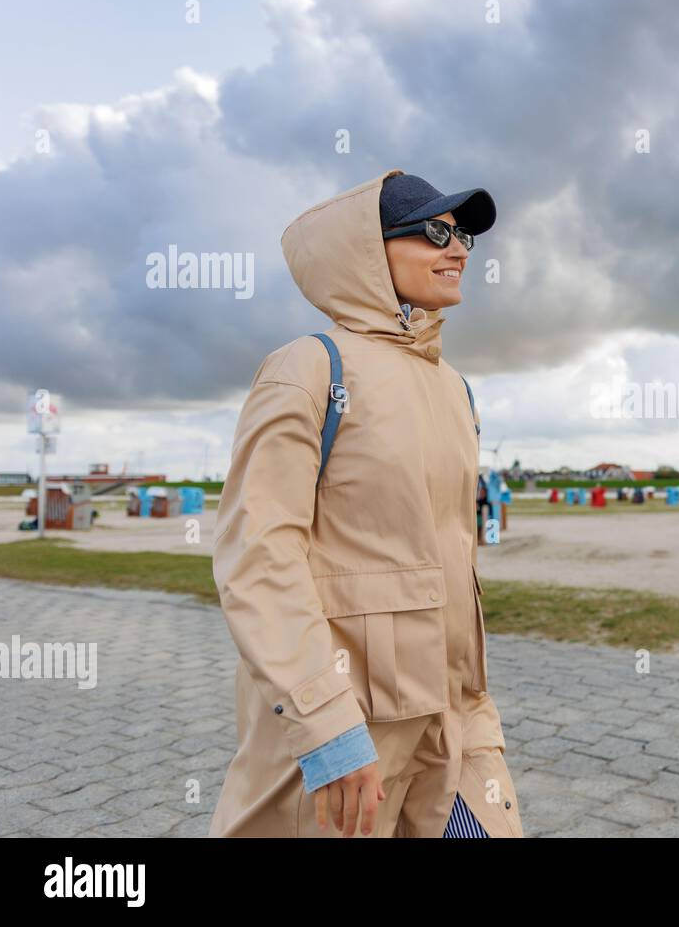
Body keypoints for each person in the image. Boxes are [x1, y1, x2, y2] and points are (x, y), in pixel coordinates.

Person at [207, 170, 523, 838]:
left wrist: (479, 720)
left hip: (454, 728)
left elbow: (454, 561)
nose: (459, 248)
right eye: (436, 232)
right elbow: (259, 556)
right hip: (347, 732)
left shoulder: (454, 388)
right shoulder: (311, 366)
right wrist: (327, 727)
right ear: (365, 253)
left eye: (462, 234)